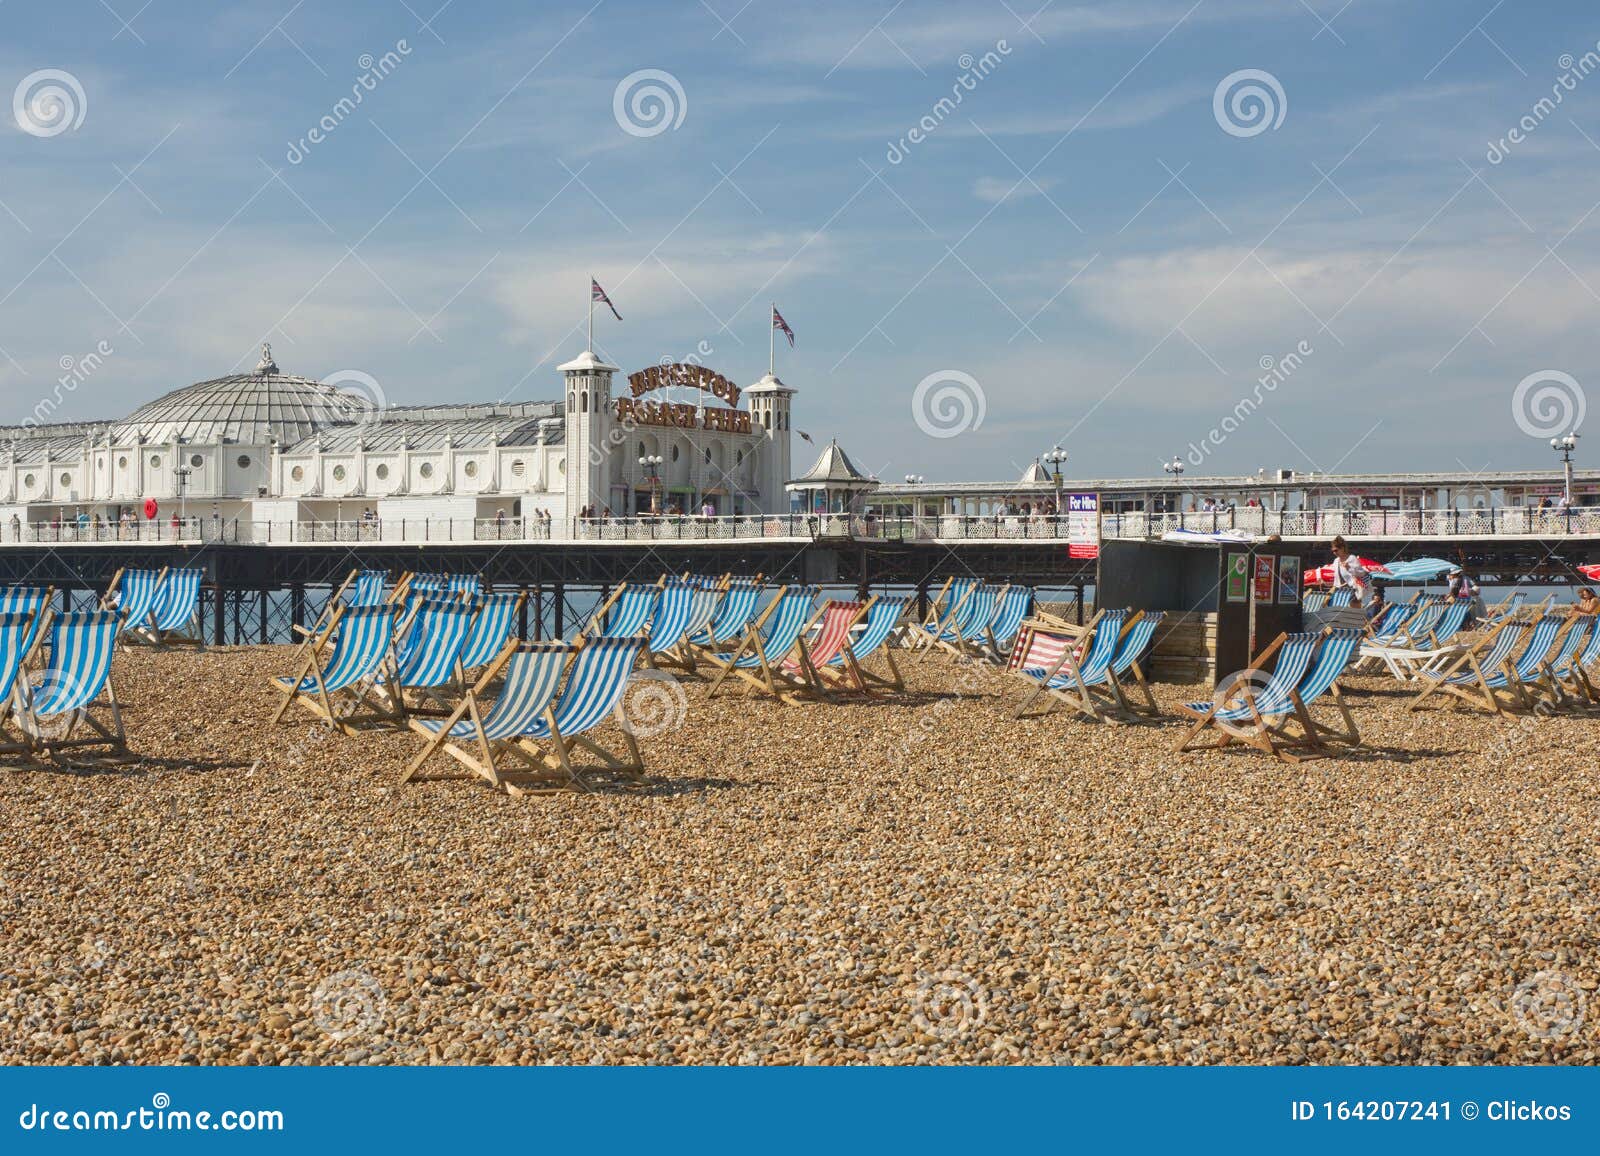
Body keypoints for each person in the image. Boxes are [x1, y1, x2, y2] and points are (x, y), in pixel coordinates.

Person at [1330, 536, 1370, 605]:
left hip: (1353, 591)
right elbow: (1337, 578)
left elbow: (1362, 573)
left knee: (1353, 612)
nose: (1334, 553)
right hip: (1340, 591)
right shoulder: (1336, 561)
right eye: (1333, 551)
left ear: (1342, 548)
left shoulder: (1351, 558)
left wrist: (1349, 568)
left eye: (1336, 550)